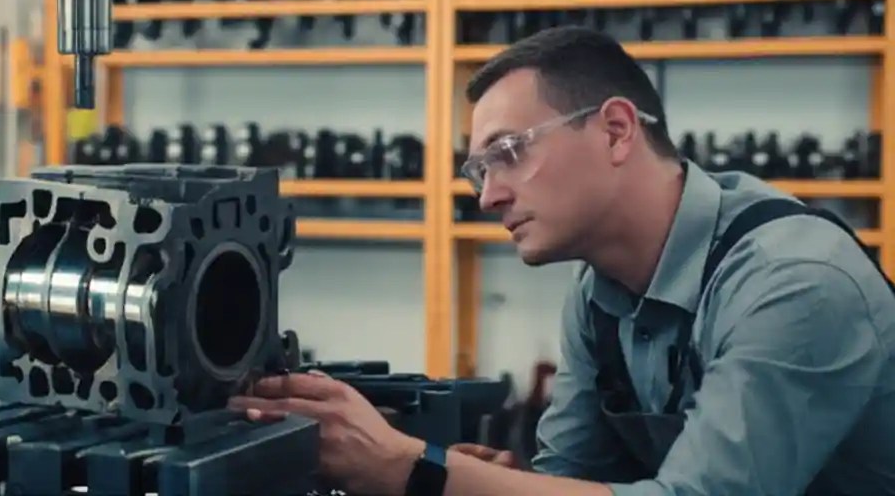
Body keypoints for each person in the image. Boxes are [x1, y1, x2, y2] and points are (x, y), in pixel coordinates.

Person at [230, 26, 895, 495]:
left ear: (615, 130)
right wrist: (486, 482)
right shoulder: (599, 295)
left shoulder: (796, 283)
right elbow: (571, 479)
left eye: (509, 152)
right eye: (477, 171)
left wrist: (411, 469)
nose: (488, 196)